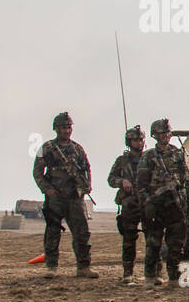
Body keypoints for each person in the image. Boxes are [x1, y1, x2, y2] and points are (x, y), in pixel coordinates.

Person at [33, 111, 96, 278]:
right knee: (53, 232)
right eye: (63, 127)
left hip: (74, 197)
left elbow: (87, 169)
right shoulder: (45, 148)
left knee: (82, 233)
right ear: (56, 128)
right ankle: (51, 267)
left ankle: (84, 267)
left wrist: (86, 187)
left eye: (69, 127)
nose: (67, 131)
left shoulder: (78, 149)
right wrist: (47, 189)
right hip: (55, 197)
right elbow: (37, 172)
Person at [136, 118, 189, 286]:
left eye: (167, 133)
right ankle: (151, 276)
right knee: (153, 242)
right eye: (161, 133)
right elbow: (141, 183)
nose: (165, 136)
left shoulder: (177, 153)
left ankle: (174, 277)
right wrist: (146, 203)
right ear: (154, 135)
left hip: (175, 203)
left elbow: (186, 177)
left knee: (176, 244)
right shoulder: (149, 156)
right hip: (156, 204)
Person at [108, 125, 146, 284]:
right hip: (130, 203)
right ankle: (128, 273)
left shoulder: (149, 158)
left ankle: (154, 273)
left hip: (148, 202)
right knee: (129, 239)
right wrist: (121, 181)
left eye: (141, 139)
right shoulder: (122, 161)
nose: (139, 143)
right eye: (135, 140)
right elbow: (111, 179)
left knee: (153, 237)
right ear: (129, 142)